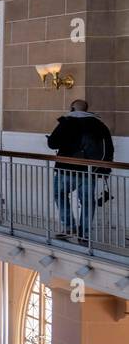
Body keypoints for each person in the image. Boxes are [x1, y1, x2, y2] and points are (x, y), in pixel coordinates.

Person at [47, 99, 115, 241]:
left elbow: (52, 144)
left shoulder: (67, 122)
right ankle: (84, 234)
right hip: (91, 170)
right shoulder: (99, 124)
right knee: (88, 201)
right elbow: (109, 148)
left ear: (72, 108)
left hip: (67, 168)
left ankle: (69, 227)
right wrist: (105, 170)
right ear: (86, 109)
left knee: (59, 194)